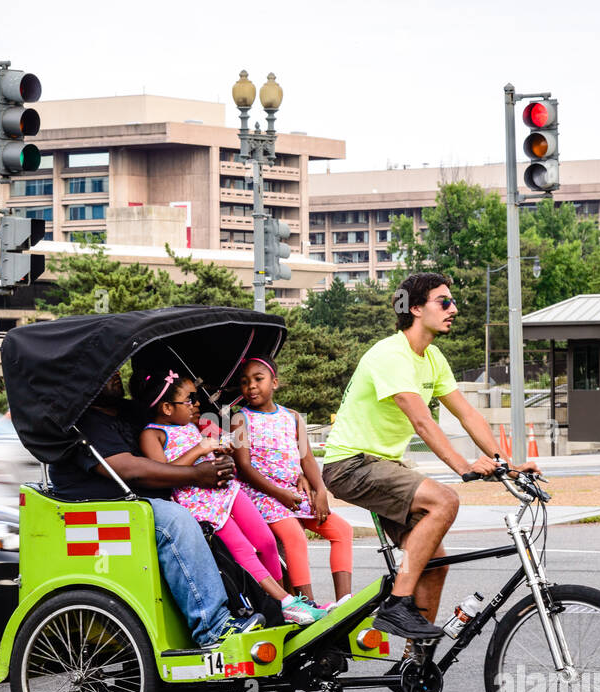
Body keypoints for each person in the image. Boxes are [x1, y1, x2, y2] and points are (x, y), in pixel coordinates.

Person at [322, 271, 539, 664]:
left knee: (435, 562)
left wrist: (505, 463)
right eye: (444, 301)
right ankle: (397, 602)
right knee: (444, 501)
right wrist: (462, 466)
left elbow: (468, 413)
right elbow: (423, 421)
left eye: (452, 301)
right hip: (350, 465)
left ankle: (416, 667)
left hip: (383, 466)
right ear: (417, 309)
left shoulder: (432, 357)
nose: (453, 309)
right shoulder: (391, 354)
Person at [46, 370, 264, 648]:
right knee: (175, 519)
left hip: (141, 505)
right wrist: (197, 475)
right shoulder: (82, 421)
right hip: (104, 511)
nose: (113, 374)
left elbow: (182, 417)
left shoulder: (127, 411)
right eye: (104, 370)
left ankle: (271, 606)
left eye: (114, 368)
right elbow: (130, 469)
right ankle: (213, 628)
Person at [134, 367, 325, 626]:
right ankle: (284, 603)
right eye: (190, 399)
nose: (197, 403)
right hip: (202, 504)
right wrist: (201, 447)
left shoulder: (190, 426)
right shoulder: (152, 434)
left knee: (266, 542)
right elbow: (165, 474)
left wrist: (222, 451)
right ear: (167, 408)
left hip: (227, 490)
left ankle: (284, 604)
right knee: (244, 551)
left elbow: (209, 456)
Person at [230, 357, 354, 607]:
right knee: (295, 537)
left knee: (342, 530)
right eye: (245, 382)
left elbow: (306, 459)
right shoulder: (239, 419)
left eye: (258, 379)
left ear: (274, 383)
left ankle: (344, 602)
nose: (251, 386)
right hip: (264, 495)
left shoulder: (293, 417)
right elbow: (243, 467)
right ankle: (306, 604)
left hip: (292, 493)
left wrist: (320, 491)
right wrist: (279, 494)